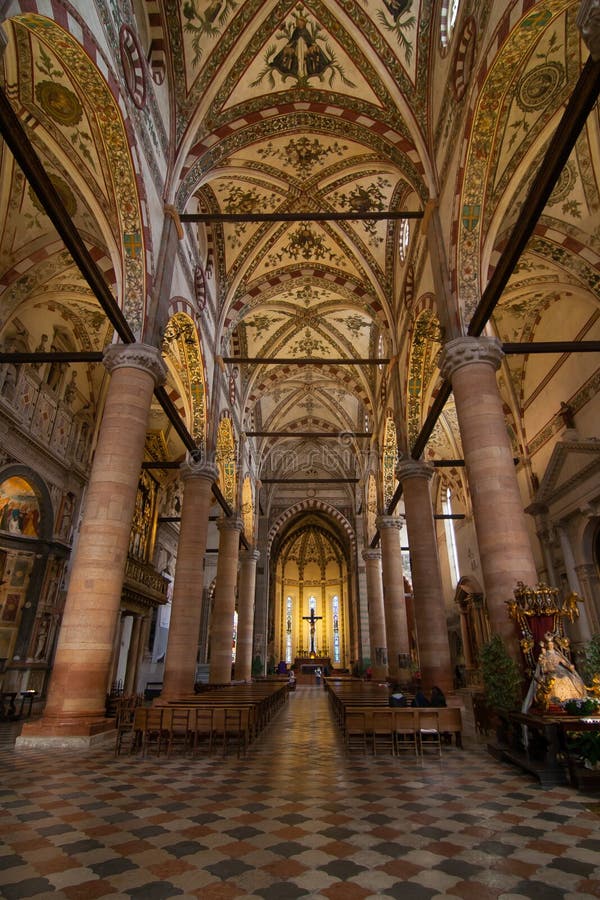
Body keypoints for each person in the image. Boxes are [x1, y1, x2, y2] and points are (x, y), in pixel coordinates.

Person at [523, 631, 588, 712]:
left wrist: (570, 667)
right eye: (549, 645)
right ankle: (555, 703)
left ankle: (573, 700)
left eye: (552, 645)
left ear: (554, 645)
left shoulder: (557, 654)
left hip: (560, 670)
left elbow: (564, 662)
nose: (551, 646)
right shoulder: (545, 654)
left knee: (567, 677)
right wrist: (545, 665)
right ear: (547, 646)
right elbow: (543, 665)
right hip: (550, 671)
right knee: (553, 680)